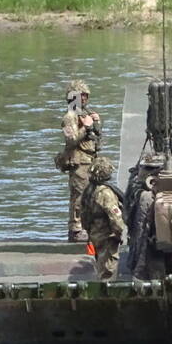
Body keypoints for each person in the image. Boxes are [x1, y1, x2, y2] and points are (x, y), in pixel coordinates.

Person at [59, 80, 99, 241]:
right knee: (79, 195)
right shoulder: (69, 117)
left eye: (86, 96)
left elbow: (96, 140)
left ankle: (85, 226)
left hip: (89, 159)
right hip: (78, 160)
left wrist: (95, 124)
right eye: (81, 95)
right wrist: (87, 127)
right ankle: (76, 229)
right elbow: (71, 139)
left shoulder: (83, 115)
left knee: (89, 195)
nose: (84, 99)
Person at [82, 157, 127, 280]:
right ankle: (105, 294)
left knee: (100, 264)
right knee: (108, 270)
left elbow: (83, 215)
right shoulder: (106, 193)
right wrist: (118, 235)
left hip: (95, 234)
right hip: (107, 237)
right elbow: (116, 218)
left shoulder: (89, 190)